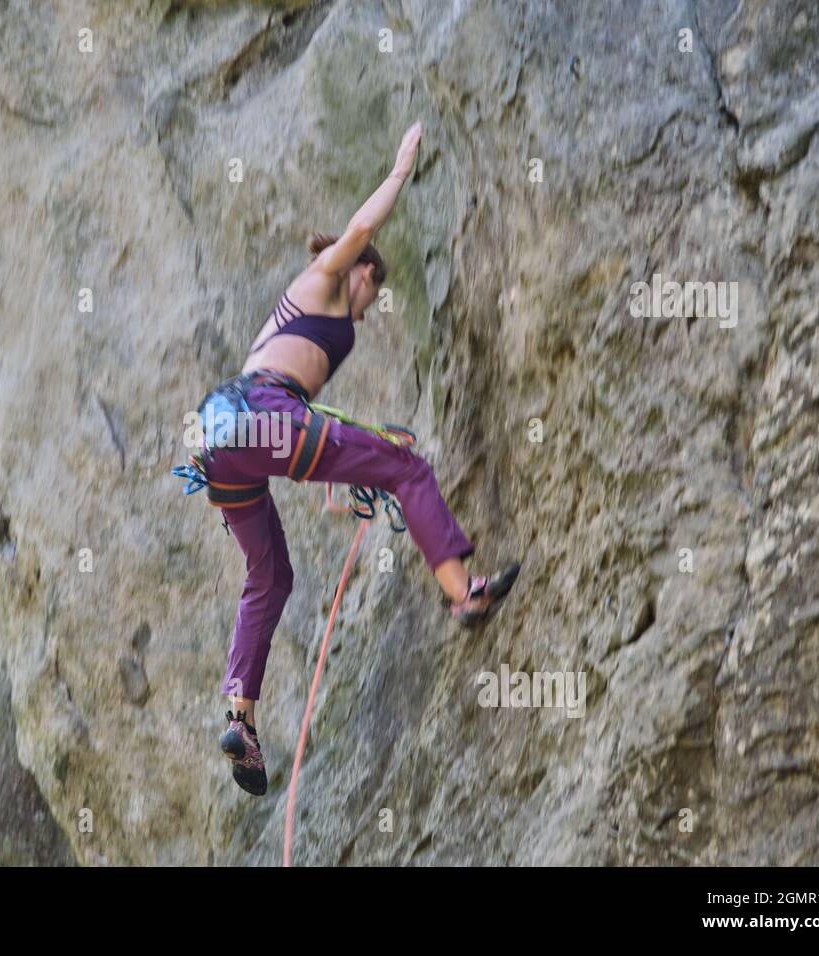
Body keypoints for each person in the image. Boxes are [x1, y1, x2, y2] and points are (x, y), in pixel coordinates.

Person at [196, 122, 519, 796]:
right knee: (409, 470)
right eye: (372, 294)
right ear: (362, 274)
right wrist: (400, 168)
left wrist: (364, 440)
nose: (367, 312)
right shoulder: (327, 276)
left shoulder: (302, 322)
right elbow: (363, 225)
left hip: (221, 432)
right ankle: (463, 593)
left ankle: (240, 717)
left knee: (270, 574)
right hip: (262, 415)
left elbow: (300, 407)